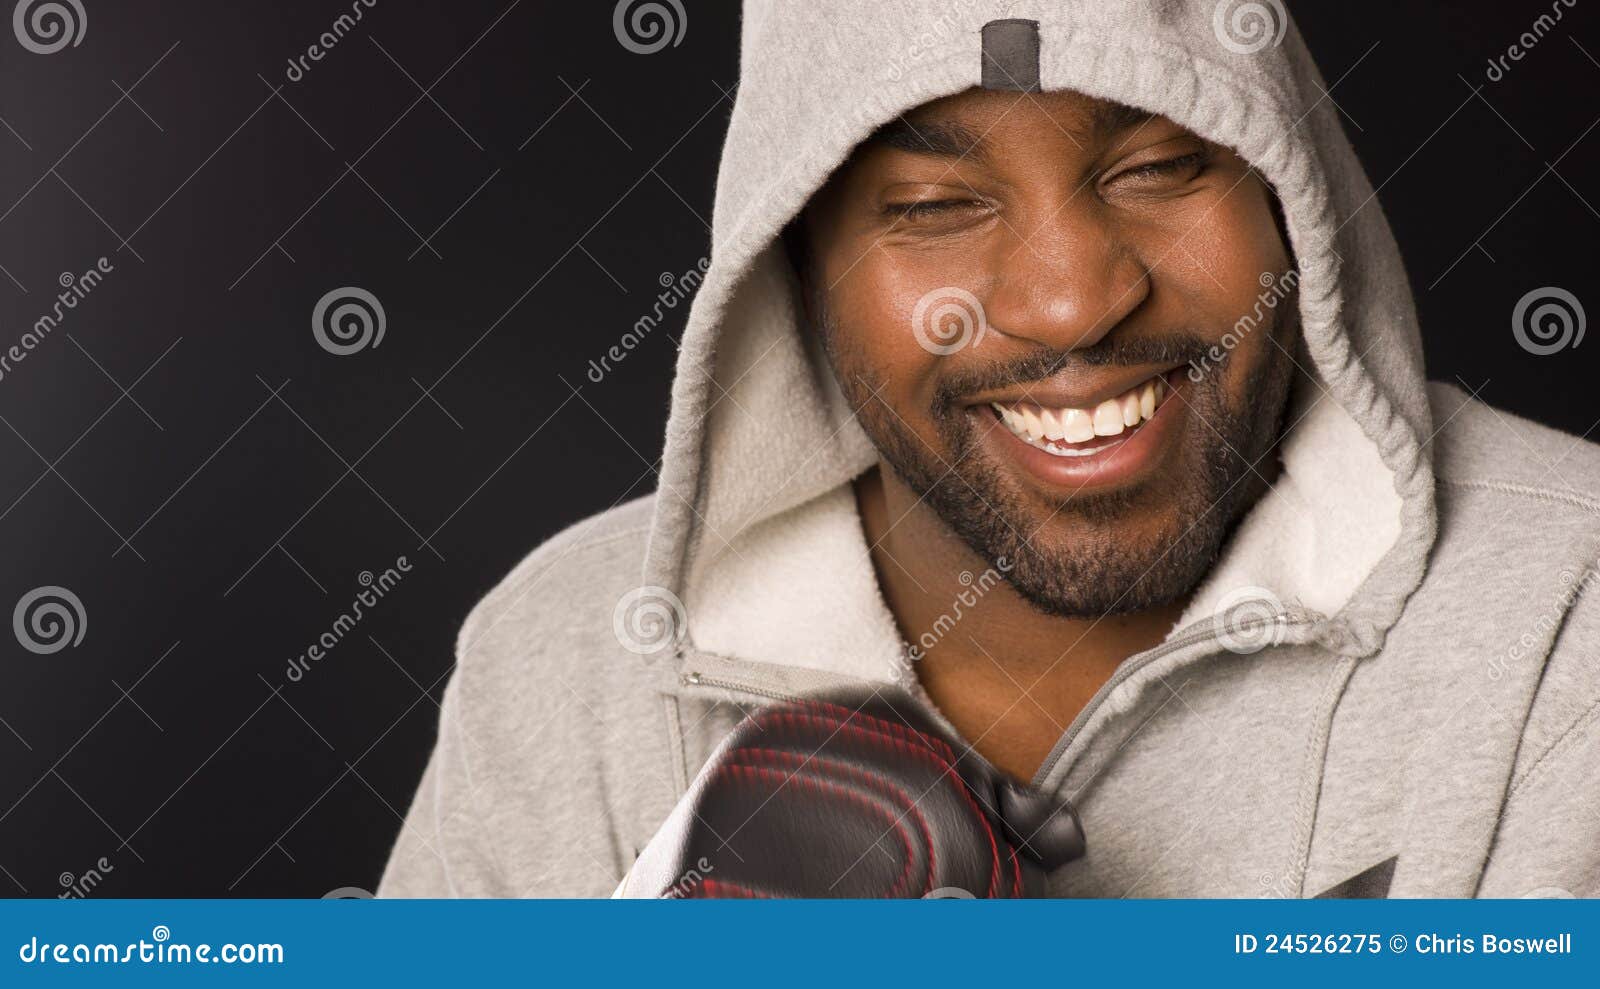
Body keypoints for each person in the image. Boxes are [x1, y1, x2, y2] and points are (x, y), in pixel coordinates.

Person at [380, 2, 1600, 898]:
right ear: (794, 263)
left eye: (1160, 165)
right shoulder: (569, 658)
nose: (1069, 302)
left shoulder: (1568, 617)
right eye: (933, 206)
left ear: (1291, 190)